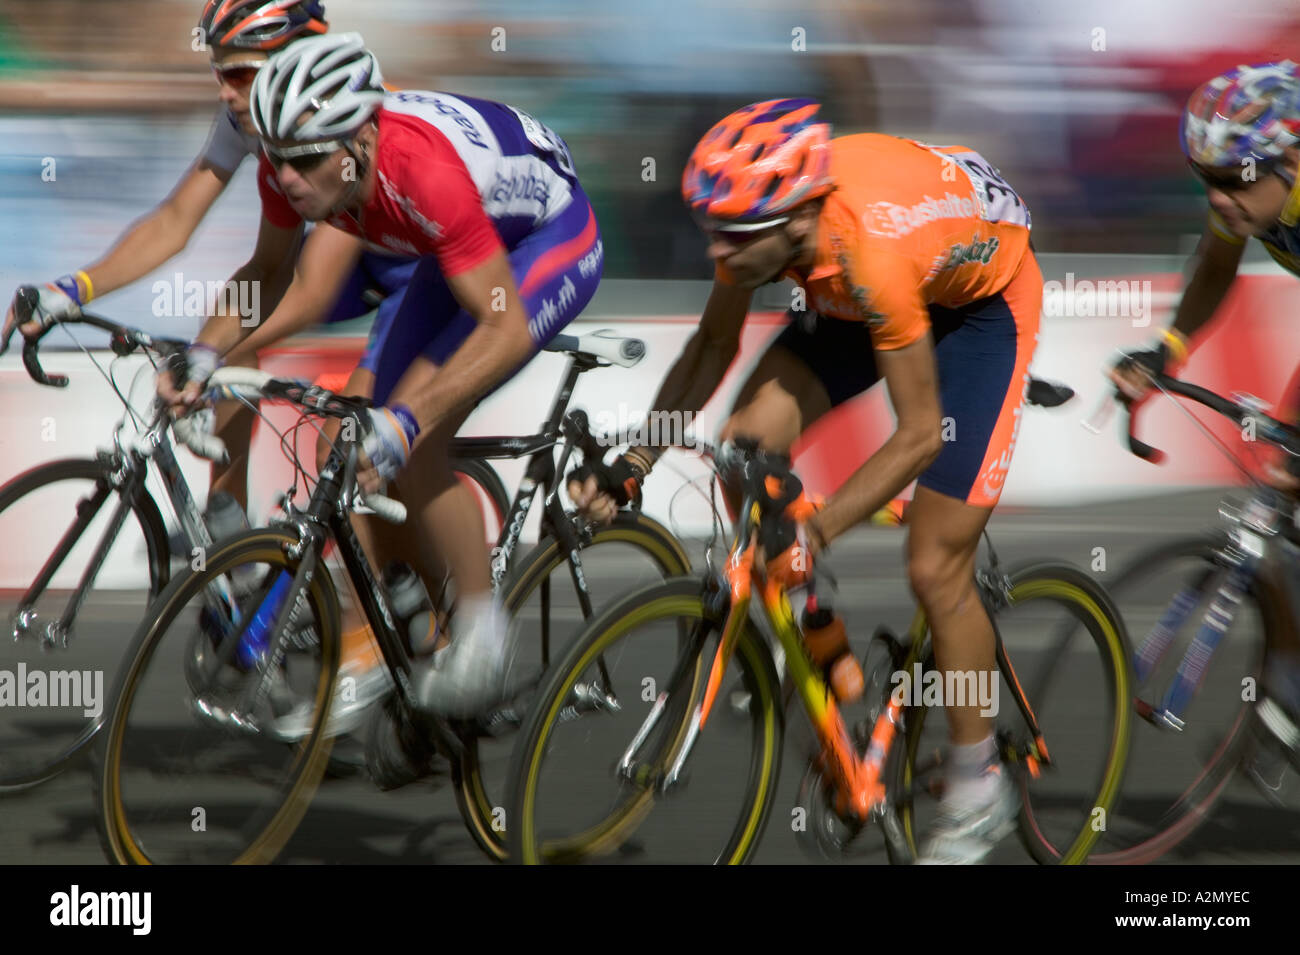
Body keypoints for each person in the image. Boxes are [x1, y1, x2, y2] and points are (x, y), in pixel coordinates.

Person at [569, 99, 1041, 863]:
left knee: (933, 564)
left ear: (794, 221)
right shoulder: (758, 225)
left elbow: (920, 435)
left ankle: (979, 777)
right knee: (742, 450)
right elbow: (714, 341)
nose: (716, 248)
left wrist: (815, 528)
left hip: (980, 307)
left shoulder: (868, 252)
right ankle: (814, 625)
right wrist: (637, 460)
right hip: (864, 290)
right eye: (709, 226)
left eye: (732, 235)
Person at [170, 34, 603, 738]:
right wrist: (205, 351)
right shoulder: (296, 160)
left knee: (415, 435)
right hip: (452, 235)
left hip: (545, 236)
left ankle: (483, 635)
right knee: (362, 435)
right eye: (276, 161)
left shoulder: (420, 173)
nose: (289, 180)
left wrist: (409, 420)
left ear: (360, 142)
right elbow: (268, 275)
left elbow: (501, 327)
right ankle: (409, 622)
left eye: (307, 162)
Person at [3, 0, 332, 512]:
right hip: (346, 260)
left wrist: (206, 353)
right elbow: (175, 220)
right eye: (219, 72)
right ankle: (229, 524)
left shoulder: (345, 124)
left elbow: (312, 287)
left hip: (425, 266)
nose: (225, 91)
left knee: (344, 448)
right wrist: (71, 288)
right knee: (231, 321)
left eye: (241, 73)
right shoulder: (245, 121)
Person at [1107, 61, 1300, 782]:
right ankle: (1288, 685)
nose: (1219, 200)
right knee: (1276, 500)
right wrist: (1166, 353)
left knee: (1285, 467)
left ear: (1290, 161)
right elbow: (1216, 269)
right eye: (1205, 181)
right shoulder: (1245, 189)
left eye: (1236, 181)